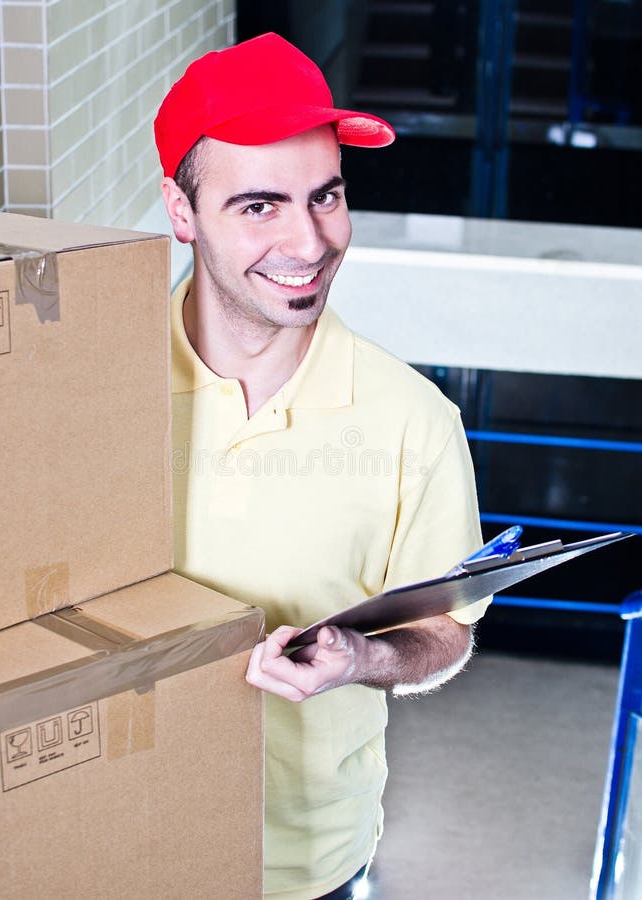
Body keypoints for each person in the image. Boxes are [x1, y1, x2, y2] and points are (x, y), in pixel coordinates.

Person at [155, 32, 490, 900]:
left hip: (306, 866)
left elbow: (445, 636)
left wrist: (357, 658)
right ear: (182, 213)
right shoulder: (97, 388)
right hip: (105, 839)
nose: (310, 240)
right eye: (260, 206)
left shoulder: (413, 420)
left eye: (327, 195)